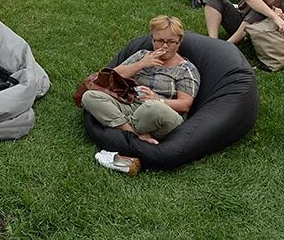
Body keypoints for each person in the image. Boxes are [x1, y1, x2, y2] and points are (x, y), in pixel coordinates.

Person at [81, 16, 198, 169]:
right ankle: (134, 134)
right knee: (89, 96)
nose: (164, 46)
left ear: (179, 42)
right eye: (159, 41)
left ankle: (120, 129)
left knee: (153, 107)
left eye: (171, 42)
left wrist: (157, 99)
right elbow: (112, 76)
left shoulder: (186, 70)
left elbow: (185, 105)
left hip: (163, 113)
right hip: (132, 104)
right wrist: (142, 64)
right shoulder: (143, 55)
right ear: (152, 39)